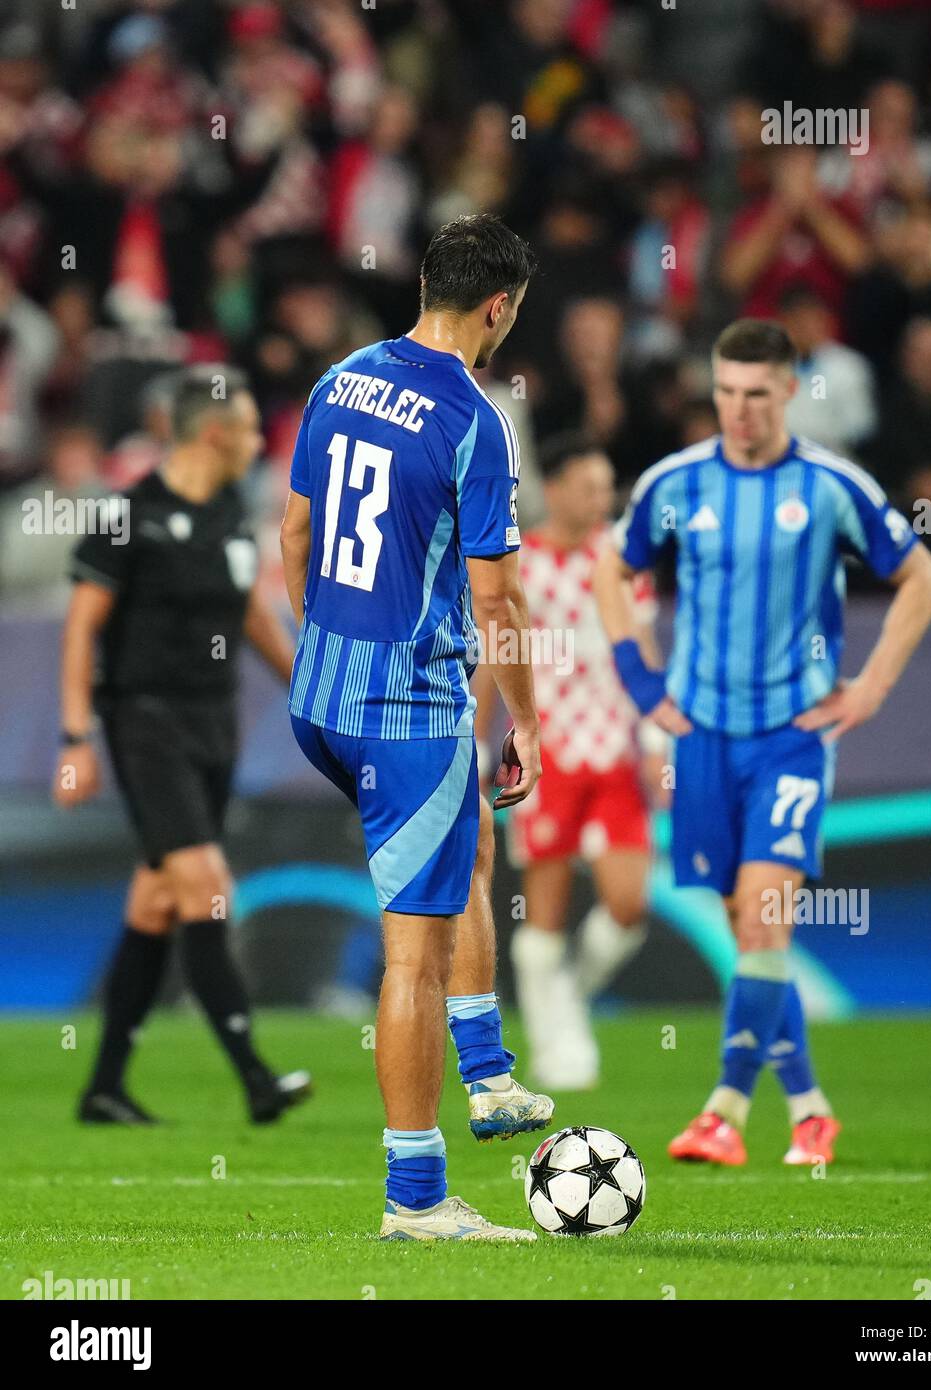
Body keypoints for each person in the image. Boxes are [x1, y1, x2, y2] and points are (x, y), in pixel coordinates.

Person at [595, 319, 931, 1167]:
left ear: (790, 391)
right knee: (753, 931)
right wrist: (644, 686)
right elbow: (615, 568)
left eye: (756, 394)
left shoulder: (829, 486)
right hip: (704, 737)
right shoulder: (677, 482)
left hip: (791, 735)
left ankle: (722, 1110)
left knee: (762, 917)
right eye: (724, 392)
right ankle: (811, 1107)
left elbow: (921, 577)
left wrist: (871, 686)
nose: (739, 410)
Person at [280, 213, 552, 1242]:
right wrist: (522, 721)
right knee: (411, 954)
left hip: (323, 696)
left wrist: (326, 646)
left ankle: (486, 1075)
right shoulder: (476, 418)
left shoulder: (339, 377)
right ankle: (417, 1197)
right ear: (497, 306)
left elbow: (295, 532)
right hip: (408, 706)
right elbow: (499, 607)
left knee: (466, 845)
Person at [55, 364, 309, 1125]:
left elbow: (254, 618)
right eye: (252, 431)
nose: (261, 444)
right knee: (207, 886)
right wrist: (76, 736)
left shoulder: (230, 510)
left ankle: (103, 1087)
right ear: (213, 434)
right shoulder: (127, 517)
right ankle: (256, 1077)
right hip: (145, 724)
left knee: (159, 899)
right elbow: (81, 631)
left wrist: (313, 690)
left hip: (212, 726)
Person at [473, 432, 659, 1090]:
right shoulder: (518, 563)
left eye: (607, 487)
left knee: (628, 904)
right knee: (543, 911)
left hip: (612, 752)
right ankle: (554, 1041)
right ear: (552, 490)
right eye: (588, 487)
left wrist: (659, 743)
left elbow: (641, 648)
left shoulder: (622, 560)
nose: (600, 499)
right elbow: (498, 654)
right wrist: (477, 744)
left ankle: (567, 998)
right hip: (545, 757)